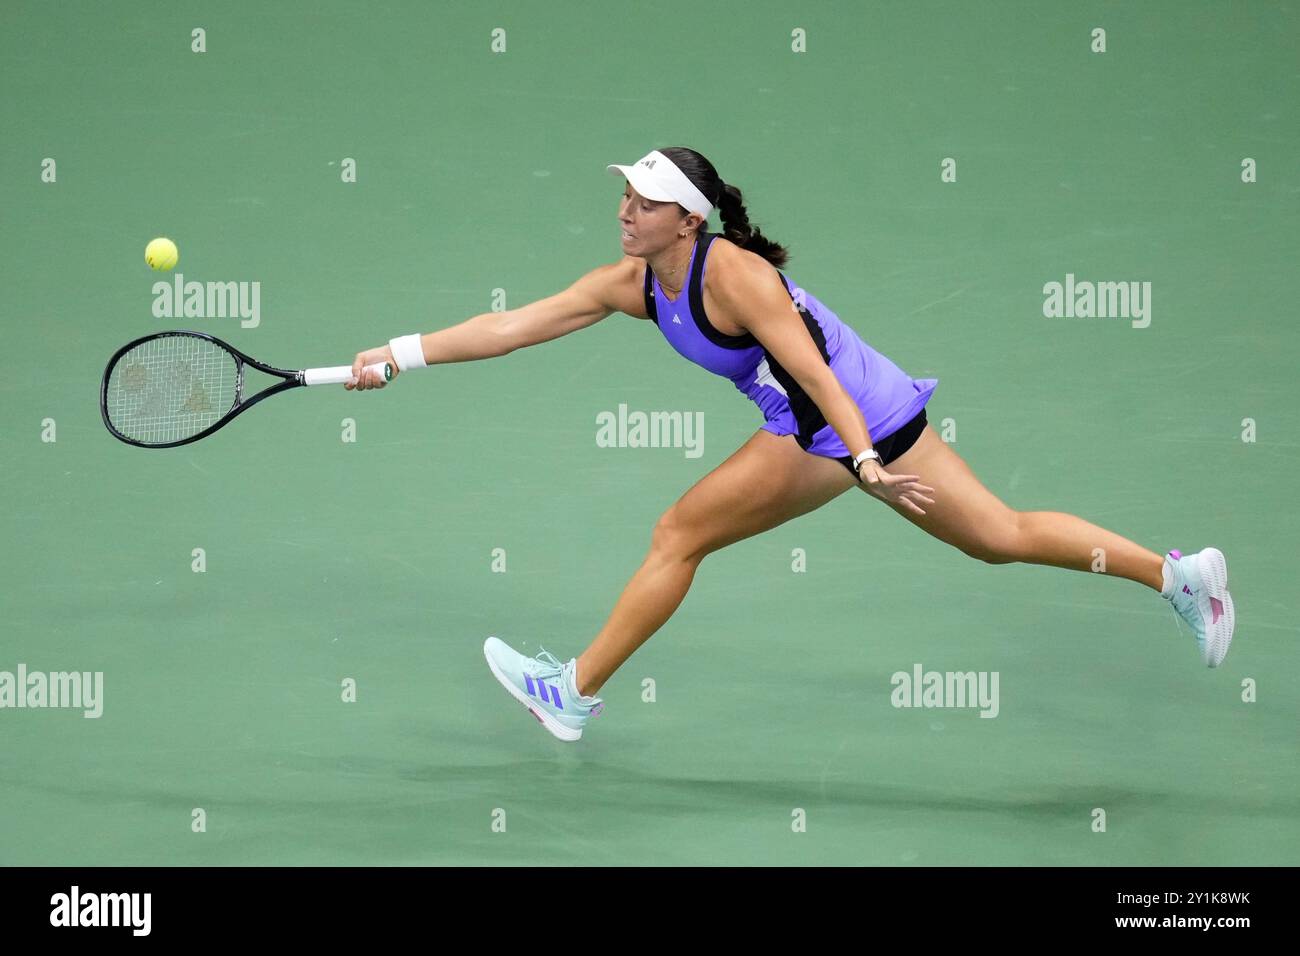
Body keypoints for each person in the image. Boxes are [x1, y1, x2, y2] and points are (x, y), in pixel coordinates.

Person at [347, 147, 1236, 742]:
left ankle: (572, 693)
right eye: (624, 195)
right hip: (852, 421)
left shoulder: (735, 276)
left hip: (843, 421)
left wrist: (863, 461)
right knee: (998, 535)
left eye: (644, 202)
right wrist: (399, 354)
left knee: (678, 534)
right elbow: (513, 325)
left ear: (687, 221)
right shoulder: (634, 285)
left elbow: (814, 374)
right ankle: (1177, 575)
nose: (625, 211)